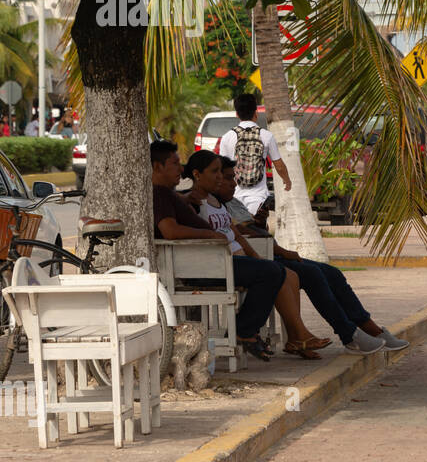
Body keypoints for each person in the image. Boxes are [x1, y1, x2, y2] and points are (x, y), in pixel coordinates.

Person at [212, 156, 409, 353]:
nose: (232, 183)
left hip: (269, 255)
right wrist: (281, 250)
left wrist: (259, 222)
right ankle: (348, 334)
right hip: (260, 259)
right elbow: (242, 237)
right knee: (313, 274)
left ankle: (370, 328)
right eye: (227, 178)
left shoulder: (233, 204)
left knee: (332, 273)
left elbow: (253, 231)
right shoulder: (210, 207)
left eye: (233, 178)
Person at [151, 140, 287, 361]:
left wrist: (185, 200)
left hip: (213, 260)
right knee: (271, 272)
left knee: (274, 270)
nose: (180, 169)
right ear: (157, 167)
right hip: (203, 265)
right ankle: (245, 331)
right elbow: (170, 230)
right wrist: (211, 234)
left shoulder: (169, 194)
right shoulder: (158, 193)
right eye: (174, 164)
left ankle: (246, 330)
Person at [217, 92, 291, 215]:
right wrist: (287, 180)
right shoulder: (266, 136)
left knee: (239, 230)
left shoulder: (227, 137)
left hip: (234, 196)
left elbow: (222, 169)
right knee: (259, 229)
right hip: (258, 197)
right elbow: (279, 165)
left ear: (237, 114)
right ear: (256, 113)